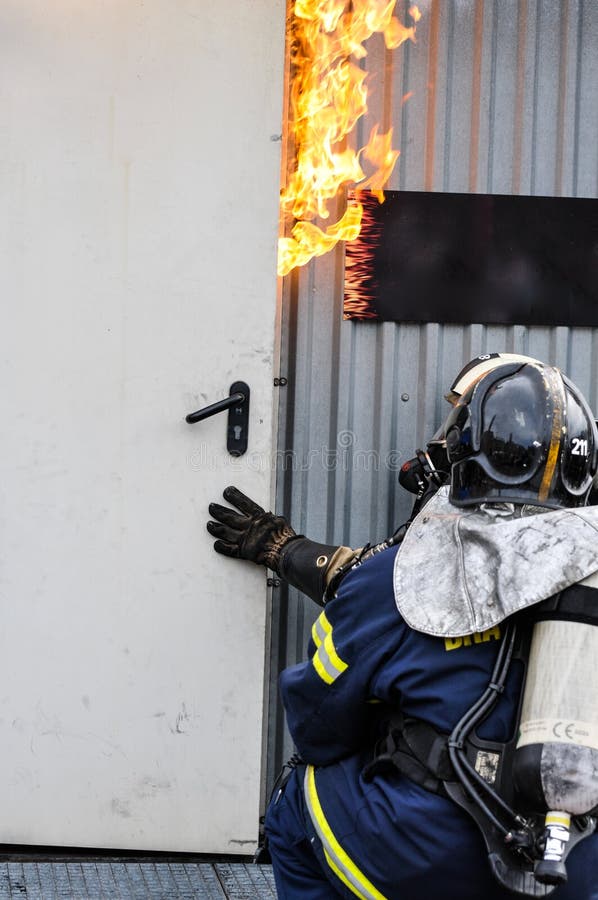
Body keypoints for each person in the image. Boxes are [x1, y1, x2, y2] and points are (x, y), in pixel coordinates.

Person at [207, 359, 598, 899]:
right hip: (573, 869)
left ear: (468, 454)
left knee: (295, 801)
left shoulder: (396, 576)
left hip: (431, 856)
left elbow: (319, 723)